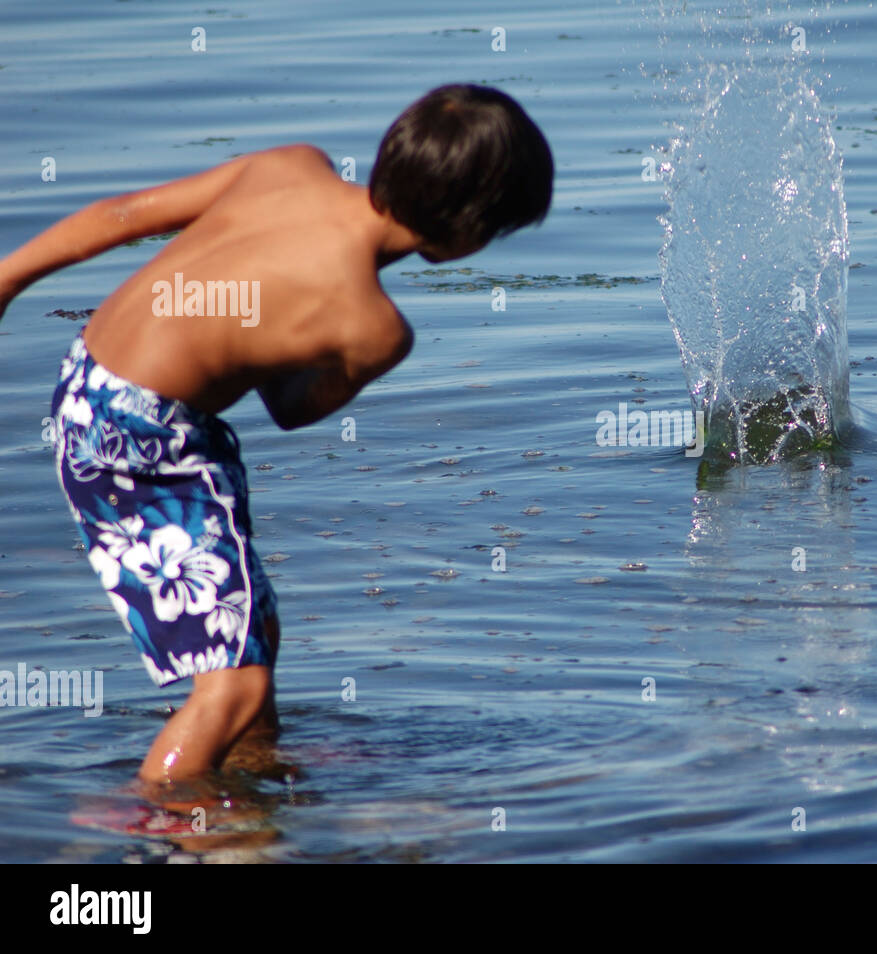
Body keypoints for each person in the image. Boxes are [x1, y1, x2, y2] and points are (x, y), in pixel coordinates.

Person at [0, 84, 553, 784]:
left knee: (250, 634)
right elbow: (290, 408)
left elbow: (124, 213)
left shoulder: (289, 165)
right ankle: (152, 820)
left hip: (86, 385)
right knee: (235, 688)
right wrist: (265, 342)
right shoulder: (375, 326)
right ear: (469, 228)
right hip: (149, 441)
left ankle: (248, 782)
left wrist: (7, 277)